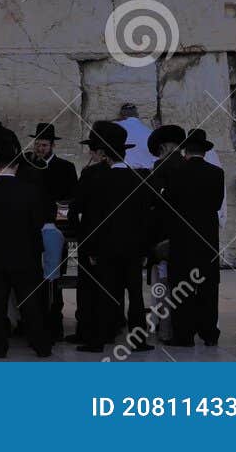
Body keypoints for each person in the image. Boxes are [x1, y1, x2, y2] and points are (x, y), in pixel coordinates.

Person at [71, 121, 150, 354]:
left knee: (104, 293)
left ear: (103, 153)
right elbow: (145, 218)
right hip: (132, 248)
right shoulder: (140, 178)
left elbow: (84, 215)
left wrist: (88, 247)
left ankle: (98, 339)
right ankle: (138, 339)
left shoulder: (93, 177)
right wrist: (144, 248)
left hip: (103, 247)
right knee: (135, 294)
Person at [0, 130, 52, 358]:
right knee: (30, 303)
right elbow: (39, 222)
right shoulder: (30, 191)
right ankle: (40, 345)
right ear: (16, 166)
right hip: (25, 256)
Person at [157, 129, 223, 348]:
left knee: (182, 286)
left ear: (185, 150)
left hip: (182, 238)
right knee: (208, 287)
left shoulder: (175, 172)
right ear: (205, 151)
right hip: (207, 238)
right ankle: (209, 333)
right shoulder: (216, 173)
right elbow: (216, 204)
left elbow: (168, 206)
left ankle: (183, 335)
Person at [20, 123, 78, 335]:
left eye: (44, 145)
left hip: (57, 228)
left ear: (52, 145)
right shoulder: (28, 167)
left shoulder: (65, 167)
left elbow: (71, 198)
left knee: (55, 274)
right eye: (37, 145)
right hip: (33, 229)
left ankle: (55, 315)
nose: (40, 149)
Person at [117, 103, 155, 170]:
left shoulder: (115, 127)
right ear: (137, 115)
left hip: (122, 172)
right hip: (146, 174)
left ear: (121, 115)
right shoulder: (150, 132)